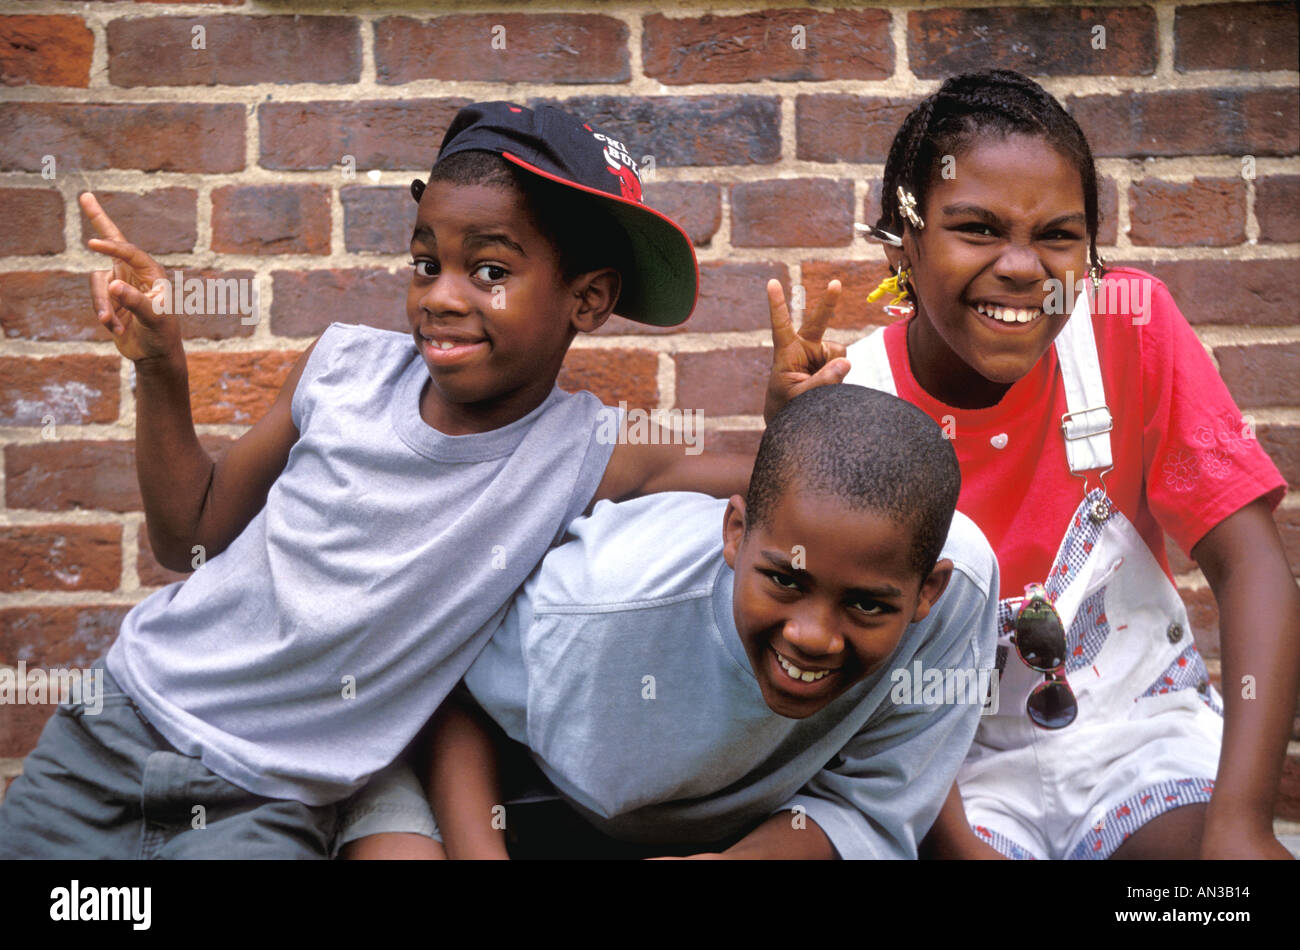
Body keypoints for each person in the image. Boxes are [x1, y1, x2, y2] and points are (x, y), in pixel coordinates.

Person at [0, 101, 758, 859]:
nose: (441, 295)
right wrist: (161, 366)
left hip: (267, 804)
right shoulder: (343, 369)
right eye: (427, 262)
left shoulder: (581, 449)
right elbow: (188, 535)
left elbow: (772, 479)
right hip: (115, 730)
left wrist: (797, 407)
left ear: (586, 298)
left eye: (489, 270)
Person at [814, 69, 1297, 859]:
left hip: (1141, 738)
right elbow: (851, 674)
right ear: (904, 236)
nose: (1022, 268)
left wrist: (1242, 823)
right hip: (950, 774)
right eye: (977, 227)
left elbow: (1252, 567)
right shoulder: (856, 400)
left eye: (1058, 236)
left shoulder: (1127, 332)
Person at [337, 384, 1000, 860]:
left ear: (926, 593)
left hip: (690, 821)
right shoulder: (593, 613)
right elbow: (450, 691)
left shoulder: (956, 586)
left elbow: (870, 801)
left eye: (865, 606)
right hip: (465, 757)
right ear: (734, 534)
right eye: (784, 581)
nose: (813, 636)